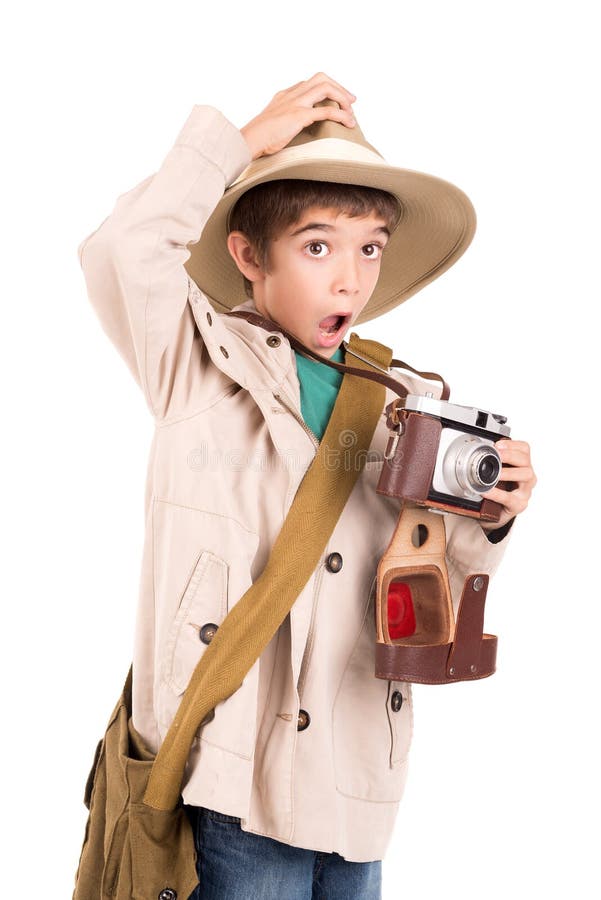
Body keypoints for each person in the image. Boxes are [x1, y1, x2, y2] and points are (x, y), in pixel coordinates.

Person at [77, 72, 536, 900]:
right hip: (235, 778)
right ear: (248, 255)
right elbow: (121, 250)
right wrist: (239, 144)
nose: (349, 280)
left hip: (357, 778)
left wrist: (492, 517)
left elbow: (425, 586)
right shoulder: (198, 366)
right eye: (317, 245)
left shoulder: (403, 404)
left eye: (368, 248)